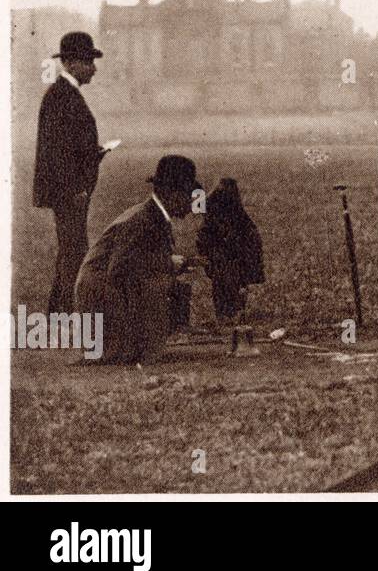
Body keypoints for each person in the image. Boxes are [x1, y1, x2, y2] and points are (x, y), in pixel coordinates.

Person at [75, 155, 203, 365]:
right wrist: (168, 264)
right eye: (189, 196)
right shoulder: (142, 220)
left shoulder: (153, 215)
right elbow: (119, 267)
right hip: (102, 292)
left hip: (110, 288)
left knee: (168, 286)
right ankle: (126, 347)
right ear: (172, 194)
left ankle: (136, 345)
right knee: (158, 286)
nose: (192, 204)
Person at [34, 31, 109, 313]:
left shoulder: (64, 94)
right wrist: (75, 189)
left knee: (71, 250)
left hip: (72, 189)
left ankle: (57, 315)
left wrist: (94, 153)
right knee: (74, 252)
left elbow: (69, 147)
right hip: (70, 191)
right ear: (74, 63)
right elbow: (58, 153)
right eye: (89, 61)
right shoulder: (61, 96)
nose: (94, 68)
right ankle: (65, 317)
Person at [196, 178, 265, 323]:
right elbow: (204, 235)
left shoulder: (239, 218)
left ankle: (232, 313)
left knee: (232, 281)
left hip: (233, 255)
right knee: (224, 281)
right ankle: (227, 313)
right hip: (221, 254)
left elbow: (249, 242)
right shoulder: (216, 211)